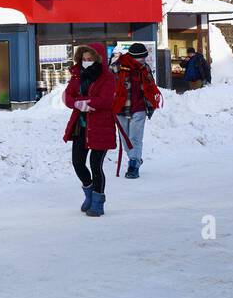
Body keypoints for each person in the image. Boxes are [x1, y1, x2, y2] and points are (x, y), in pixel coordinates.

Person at [63, 43, 117, 217]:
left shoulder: (107, 78)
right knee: (78, 163)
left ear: (98, 59)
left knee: (95, 165)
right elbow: (68, 95)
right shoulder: (77, 75)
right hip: (80, 126)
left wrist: (86, 103)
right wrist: (77, 103)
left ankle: (98, 201)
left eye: (90, 59)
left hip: (101, 126)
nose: (86, 62)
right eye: (84, 59)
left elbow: (106, 100)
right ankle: (89, 190)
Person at [111, 42, 163, 179]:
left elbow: (151, 85)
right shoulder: (117, 67)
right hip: (120, 107)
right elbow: (109, 86)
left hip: (139, 108)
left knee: (135, 138)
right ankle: (136, 158)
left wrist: (152, 102)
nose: (143, 60)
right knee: (125, 139)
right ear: (133, 57)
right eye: (141, 58)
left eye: (144, 58)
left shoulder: (144, 68)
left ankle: (133, 165)